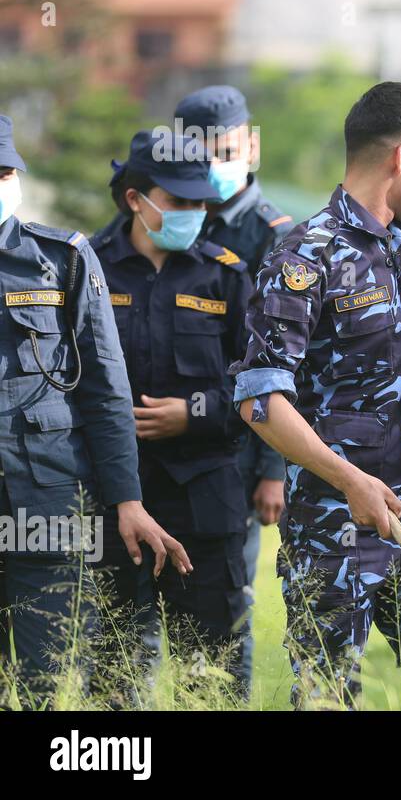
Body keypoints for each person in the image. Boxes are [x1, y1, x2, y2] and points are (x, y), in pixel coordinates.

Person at [231, 82, 401, 710]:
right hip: (337, 527)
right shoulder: (305, 254)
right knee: (328, 697)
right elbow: (259, 399)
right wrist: (349, 480)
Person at [0, 114, 191, 705]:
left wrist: (127, 500)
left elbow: (106, 393)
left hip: (48, 504)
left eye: (5, 170)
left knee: (46, 681)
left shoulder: (64, 260)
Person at [90, 129, 252, 690]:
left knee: (210, 665)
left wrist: (196, 412)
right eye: (178, 202)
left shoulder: (226, 275)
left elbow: (268, 387)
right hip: (111, 495)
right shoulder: (85, 269)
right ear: (136, 199)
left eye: (201, 201)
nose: (194, 213)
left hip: (203, 494)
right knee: (111, 666)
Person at [174, 84, 292, 695]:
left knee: (224, 605)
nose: (216, 162)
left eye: (226, 148)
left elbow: (283, 361)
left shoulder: (275, 239)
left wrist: (273, 468)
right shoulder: (169, 224)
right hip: (165, 446)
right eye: (201, 151)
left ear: (251, 146)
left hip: (241, 455)